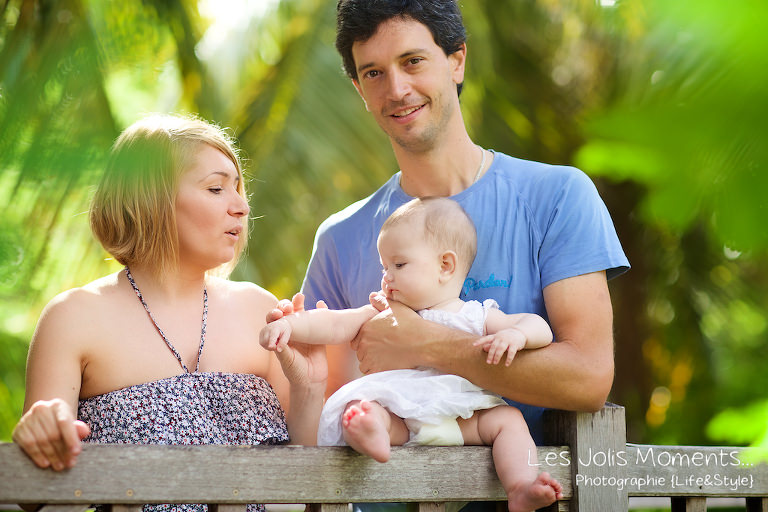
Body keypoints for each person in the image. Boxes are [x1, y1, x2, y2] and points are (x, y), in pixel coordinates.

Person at [296, 0, 630, 447]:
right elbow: (326, 408)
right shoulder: (339, 237)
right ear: (359, 88)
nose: (396, 89)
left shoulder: (558, 197)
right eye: (373, 73)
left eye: (412, 61)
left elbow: (588, 378)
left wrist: (424, 343)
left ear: (456, 61)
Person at [11, 114, 326, 512]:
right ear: (150, 196)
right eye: (216, 188)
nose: (242, 207)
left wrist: (310, 388)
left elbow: (310, 477)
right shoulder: (73, 318)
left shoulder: (261, 310)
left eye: (239, 189)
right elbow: (34, 492)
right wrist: (40, 430)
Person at [262, 198, 563, 512]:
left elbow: (539, 326)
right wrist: (290, 325)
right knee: (365, 408)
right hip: (402, 417)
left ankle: (521, 486)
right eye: (384, 267)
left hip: (465, 419)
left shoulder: (476, 317)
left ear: (445, 266)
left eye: (399, 265)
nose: (387, 277)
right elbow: (335, 322)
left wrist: (517, 334)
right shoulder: (385, 312)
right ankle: (371, 433)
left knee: (509, 421)